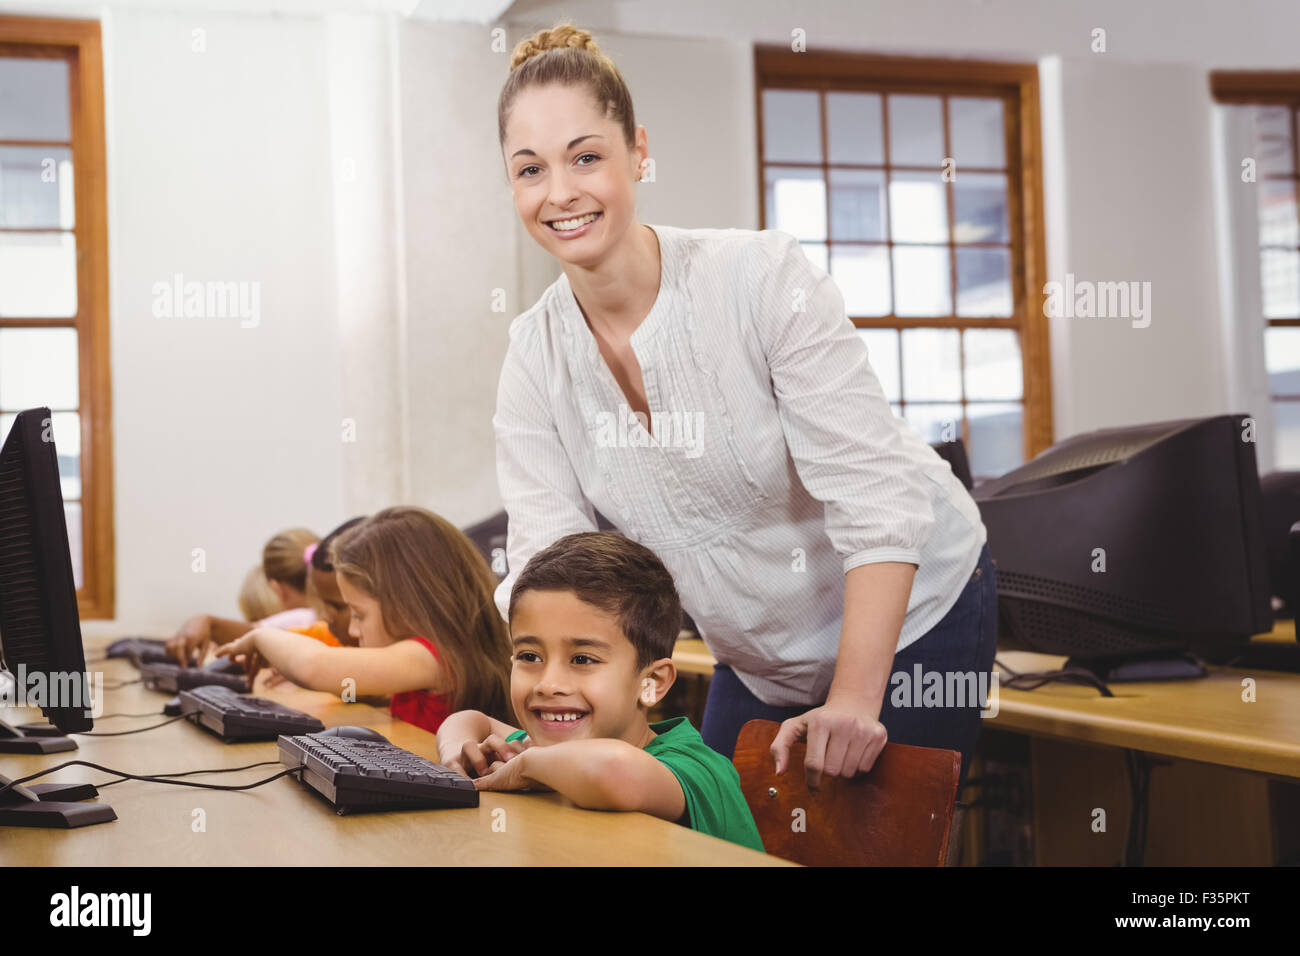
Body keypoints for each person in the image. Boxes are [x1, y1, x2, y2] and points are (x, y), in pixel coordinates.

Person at [491, 22, 997, 786]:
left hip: (916, 613)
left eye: (587, 157)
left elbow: (876, 496)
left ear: (639, 152)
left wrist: (856, 701)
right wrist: (546, 731)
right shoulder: (535, 354)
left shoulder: (759, 277)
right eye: (531, 170)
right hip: (755, 653)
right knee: (720, 837)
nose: (560, 193)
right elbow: (552, 569)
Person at [437, 531, 764, 853]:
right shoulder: (548, 750)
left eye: (582, 659)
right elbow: (469, 719)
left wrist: (525, 766)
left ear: (652, 683)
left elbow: (612, 771)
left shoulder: (696, 768)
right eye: (529, 656)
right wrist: (455, 756)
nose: (548, 684)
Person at [217, 507, 513, 733]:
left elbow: (313, 666)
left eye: (358, 614)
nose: (352, 628)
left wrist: (260, 638)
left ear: (406, 604)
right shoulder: (437, 656)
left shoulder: (431, 656)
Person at [166, 527, 319, 666]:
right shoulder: (309, 621)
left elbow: (254, 634)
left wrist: (205, 621)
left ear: (278, 590)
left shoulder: (307, 618)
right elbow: (255, 635)